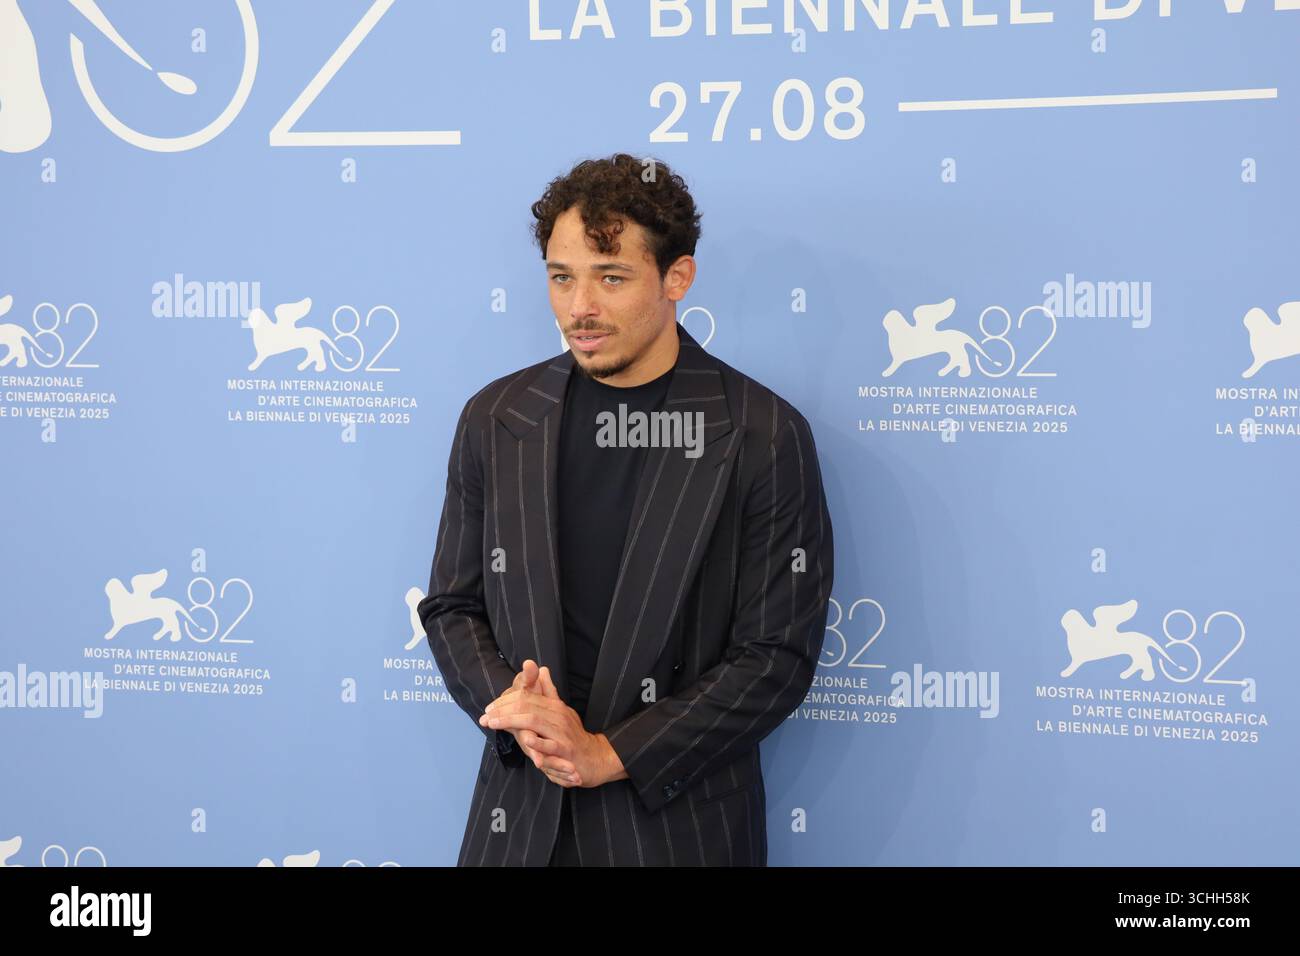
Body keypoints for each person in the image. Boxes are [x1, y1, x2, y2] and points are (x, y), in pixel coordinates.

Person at [418, 152, 834, 866]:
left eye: (611, 278)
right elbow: (453, 605)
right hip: (516, 826)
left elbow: (775, 659)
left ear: (677, 278)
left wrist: (610, 753)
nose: (580, 307)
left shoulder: (762, 434)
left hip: (678, 831)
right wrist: (516, 713)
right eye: (561, 277)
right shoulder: (497, 417)